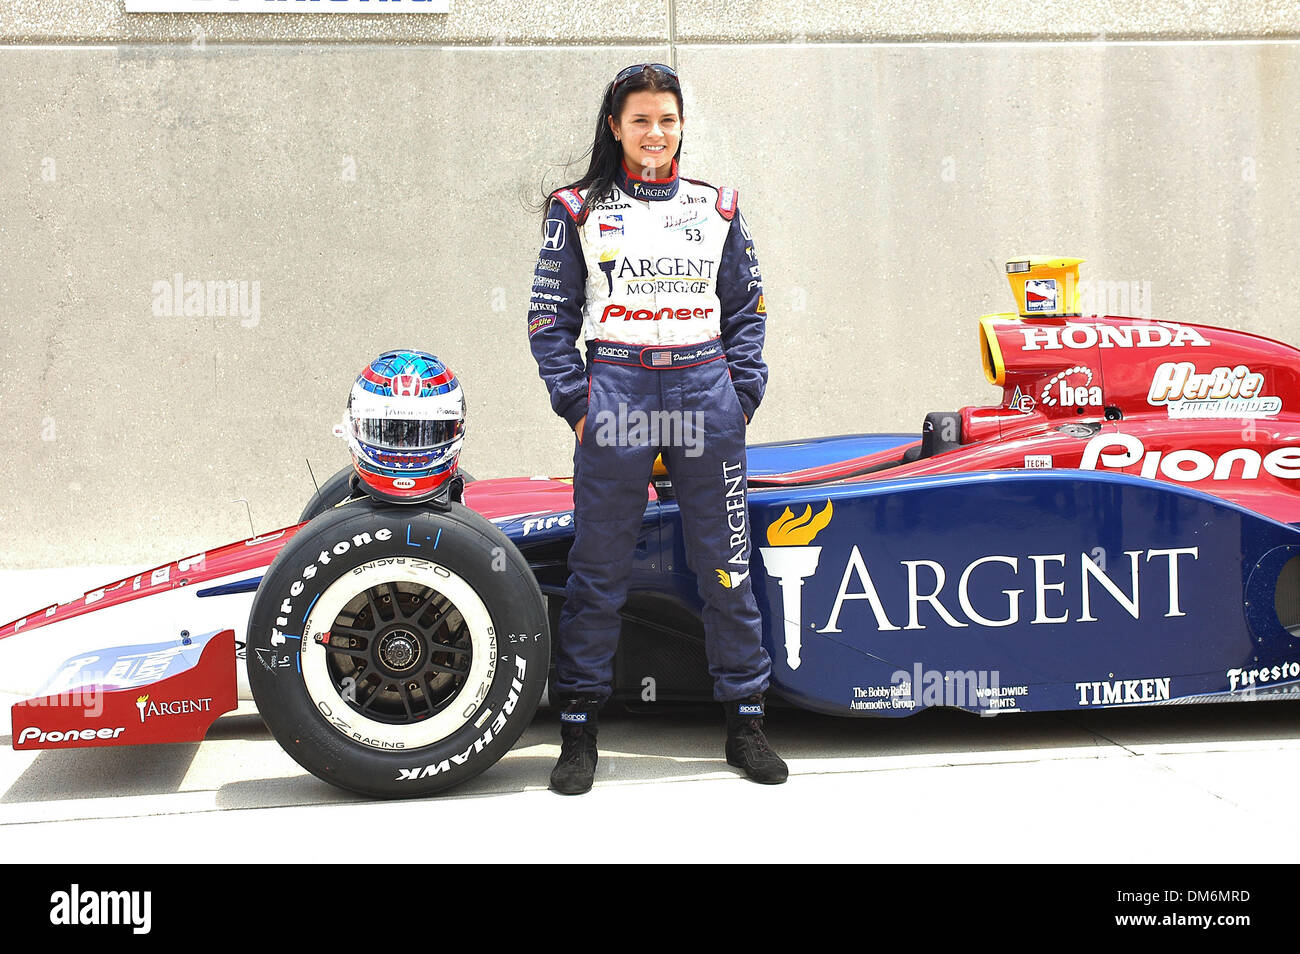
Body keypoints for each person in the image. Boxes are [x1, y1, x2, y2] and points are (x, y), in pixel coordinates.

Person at [527, 63, 787, 795]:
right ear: (615, 127)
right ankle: (578, 730)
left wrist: (741, 397)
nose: (655, 133)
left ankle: (745, 720)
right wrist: (579, 405)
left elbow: (748, 313)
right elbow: (549, 322)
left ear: (682, 125)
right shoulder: (577, 208)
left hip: (706, 388)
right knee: (598, 570)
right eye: (640, 119)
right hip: (618, 385)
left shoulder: (718, 207)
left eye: (667, 119)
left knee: (726, 566)